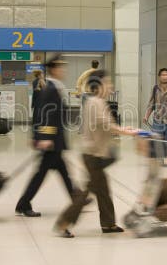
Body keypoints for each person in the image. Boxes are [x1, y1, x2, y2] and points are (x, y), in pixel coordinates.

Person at [54, 70, 137, 237]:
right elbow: (106, 124)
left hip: (95, 153)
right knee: (88, 190)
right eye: (107, 83)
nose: (111, 86)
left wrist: (123, 130)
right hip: (93, 155)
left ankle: (108, 224)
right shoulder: (96, 102)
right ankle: (63, 222)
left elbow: (106, 125)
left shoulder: (96, 101)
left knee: (103, 190)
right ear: (99, 85)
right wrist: (126, 131)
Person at [16, 55, 80, 217]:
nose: (63, 70)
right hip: (51, 141)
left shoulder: (56, 87)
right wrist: (43, 137)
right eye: (60, 67)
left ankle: (76, 198)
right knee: (41, 174)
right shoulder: (50, 88)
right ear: (53, 70)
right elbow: (43, 114)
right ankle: (24, 203)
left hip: (54, 139)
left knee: (62, 171)